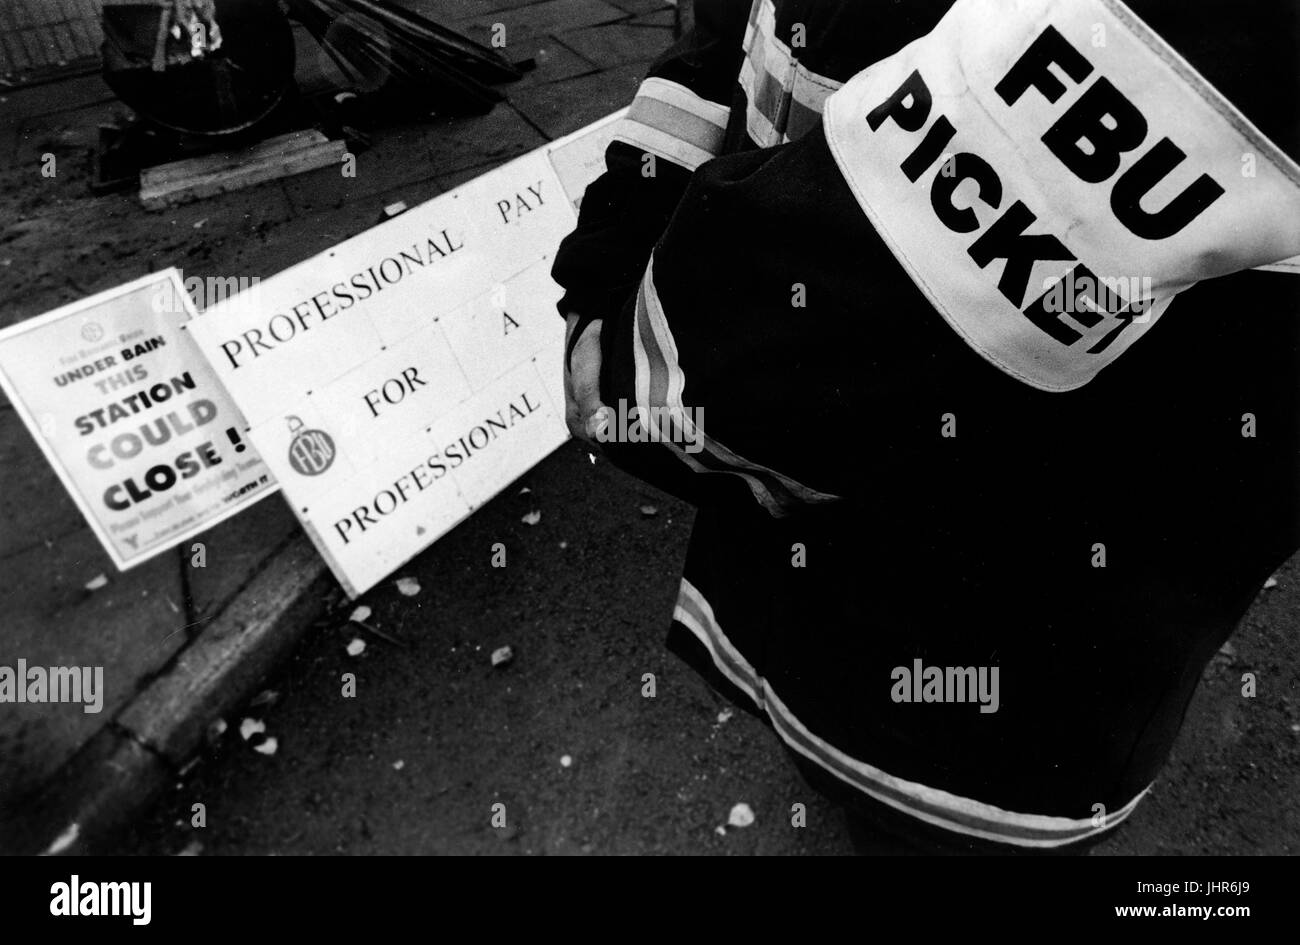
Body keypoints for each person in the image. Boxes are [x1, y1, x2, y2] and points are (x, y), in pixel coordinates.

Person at [552, 0, 1300, 853]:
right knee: (856, 739)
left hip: (1024, 599)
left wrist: (638, 367)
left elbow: (866, 294)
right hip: (836, 486)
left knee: (926, 807)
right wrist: (618, 237)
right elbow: (731, 36)